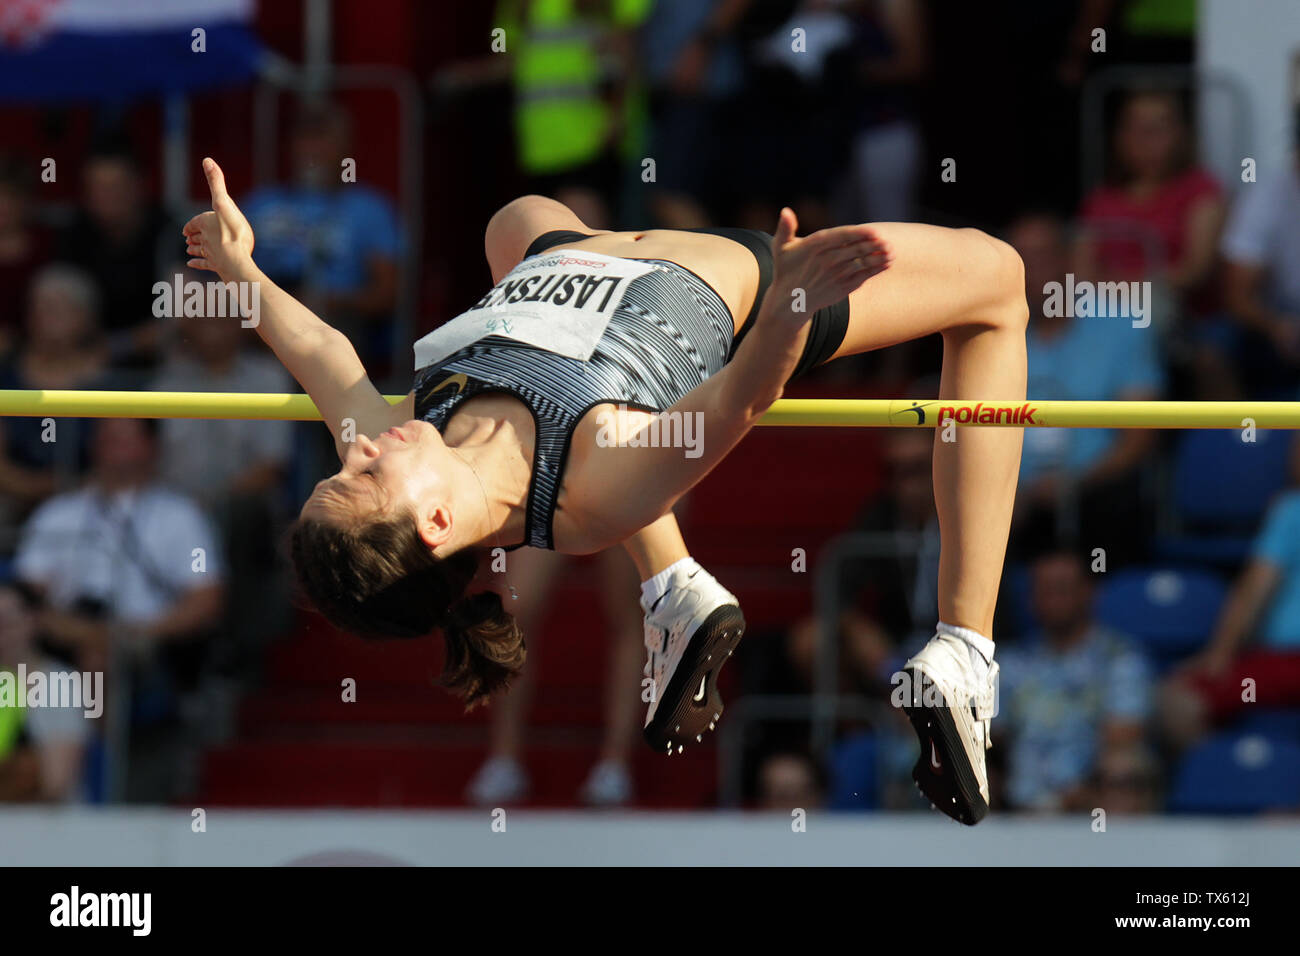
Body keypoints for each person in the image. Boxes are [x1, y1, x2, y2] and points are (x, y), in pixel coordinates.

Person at [184, 156, 1029, 824]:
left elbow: (326, 355)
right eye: (363, 473)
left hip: (573, 259)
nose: (360, 446)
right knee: (998, 282)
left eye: (344, 459)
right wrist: (789, 309)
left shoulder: (418, 426)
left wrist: (240, 272)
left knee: (516, 219)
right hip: (744, 291)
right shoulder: (592, 488)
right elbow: (737, 403)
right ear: (438, 522)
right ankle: (962, 650)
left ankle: (674, 584)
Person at [997, 549, 1152, 812]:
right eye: (1044, 590)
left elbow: (1124, 735)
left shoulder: (1118, 658)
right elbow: (986, 738)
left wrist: (1066, 800)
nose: (1053, 600)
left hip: (1088, 799)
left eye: (1062, 589)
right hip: (1016, 802)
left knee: (1122, 769)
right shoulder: (1012, 663)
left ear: (1089, 592)